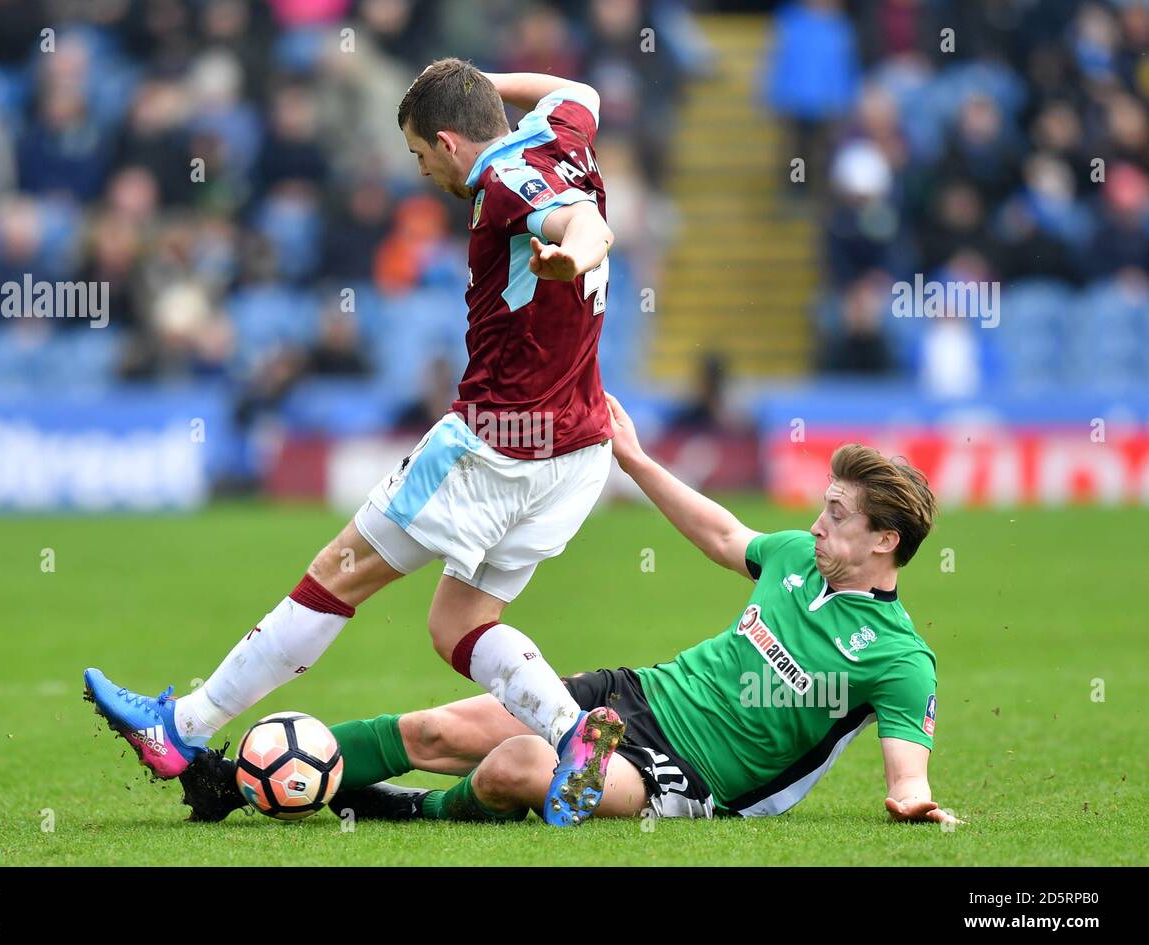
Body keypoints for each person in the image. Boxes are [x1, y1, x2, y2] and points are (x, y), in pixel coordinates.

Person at [85, 59, 622, 826]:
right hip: (576, 450)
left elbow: (582, 222)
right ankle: (573, 737)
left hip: (493, 445)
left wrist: (578, 250)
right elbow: (583, 91)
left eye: (419, 155)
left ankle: (181, 729)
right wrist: (482, 77)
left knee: (337, 573)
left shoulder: (508, 183)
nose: (423, 171)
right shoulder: (561, 133)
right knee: (459, 627)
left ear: (446, 140)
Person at [180, 394, 961, 829]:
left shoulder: (897, 658)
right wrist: (636, 459)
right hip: (635, 697)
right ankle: (229, 782)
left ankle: (411, 816)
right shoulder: (793, 556)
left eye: (836, 515)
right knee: (436, 728)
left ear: (885, 540)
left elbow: (906, 773)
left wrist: (914, 804)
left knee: (518, 767)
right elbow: (723, 534)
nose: (817, 522)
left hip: (680, 779)